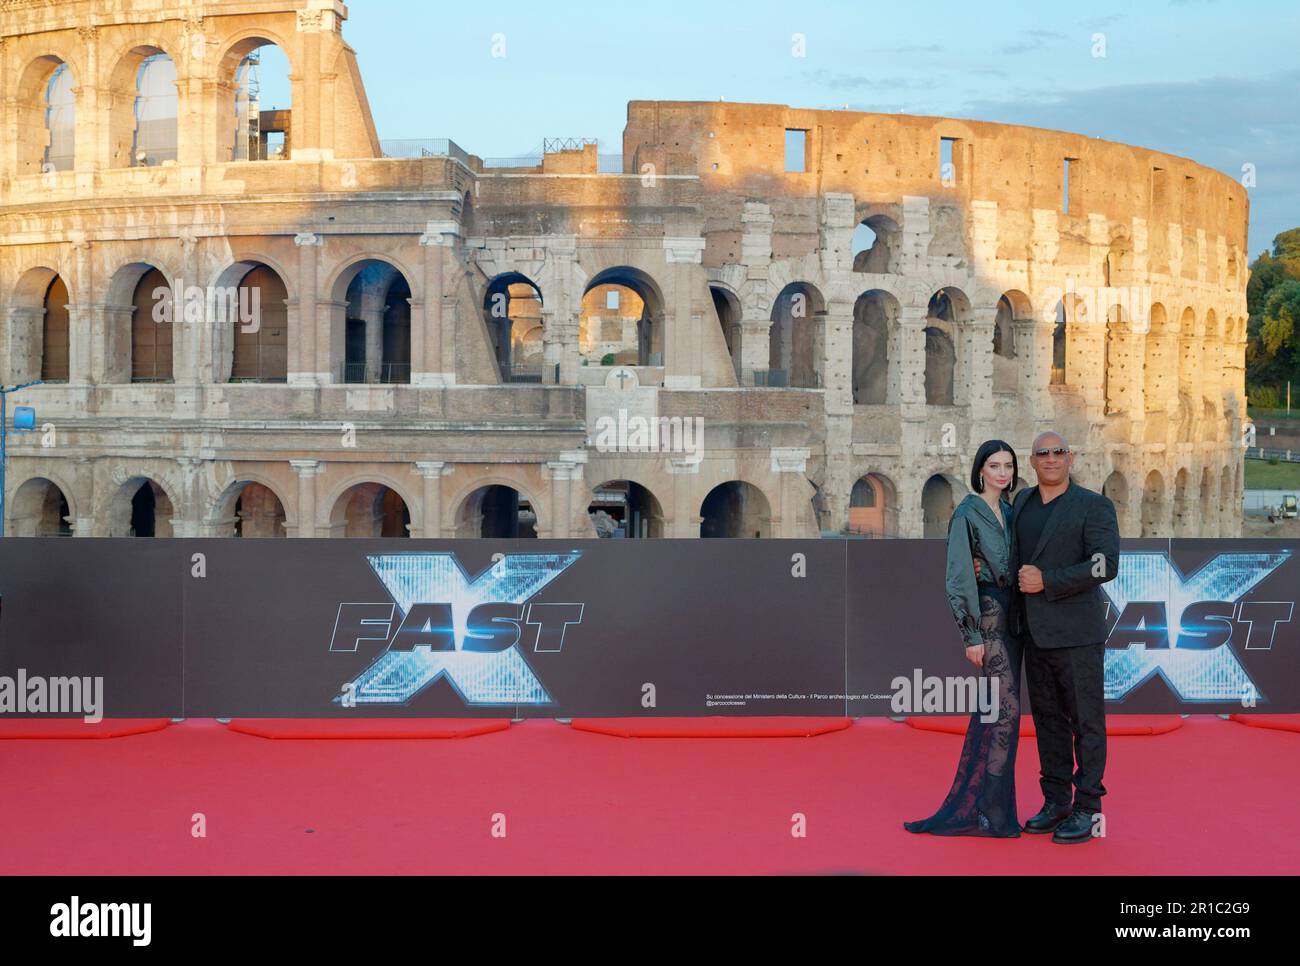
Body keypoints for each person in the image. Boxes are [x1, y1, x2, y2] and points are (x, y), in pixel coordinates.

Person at [904, 440, 1023, 837]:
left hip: (1015, 620)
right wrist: (970, 634)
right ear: (981, 471)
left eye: (1008, 465)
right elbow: (958, 577)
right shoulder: (968, 513)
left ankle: (987, 805)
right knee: (1005, 711)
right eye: (994, 466)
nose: (1002, 473)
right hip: (987, 618)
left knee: (995, 711)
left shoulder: (1011, 510)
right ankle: (990, 810)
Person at [1008, 431, 1120, 845]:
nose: (1051, 458)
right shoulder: (1022, 503)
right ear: (1032, 461)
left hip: (1077, 635)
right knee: (1048, 722)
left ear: (1070, 458)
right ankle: (1055, 801)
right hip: (1034, 634)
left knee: (1086, 722)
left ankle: (1088, 808)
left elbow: (1104, 566)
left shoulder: (1094, 505)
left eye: (1058, 452)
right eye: (1043, 453)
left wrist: (1047, 581)